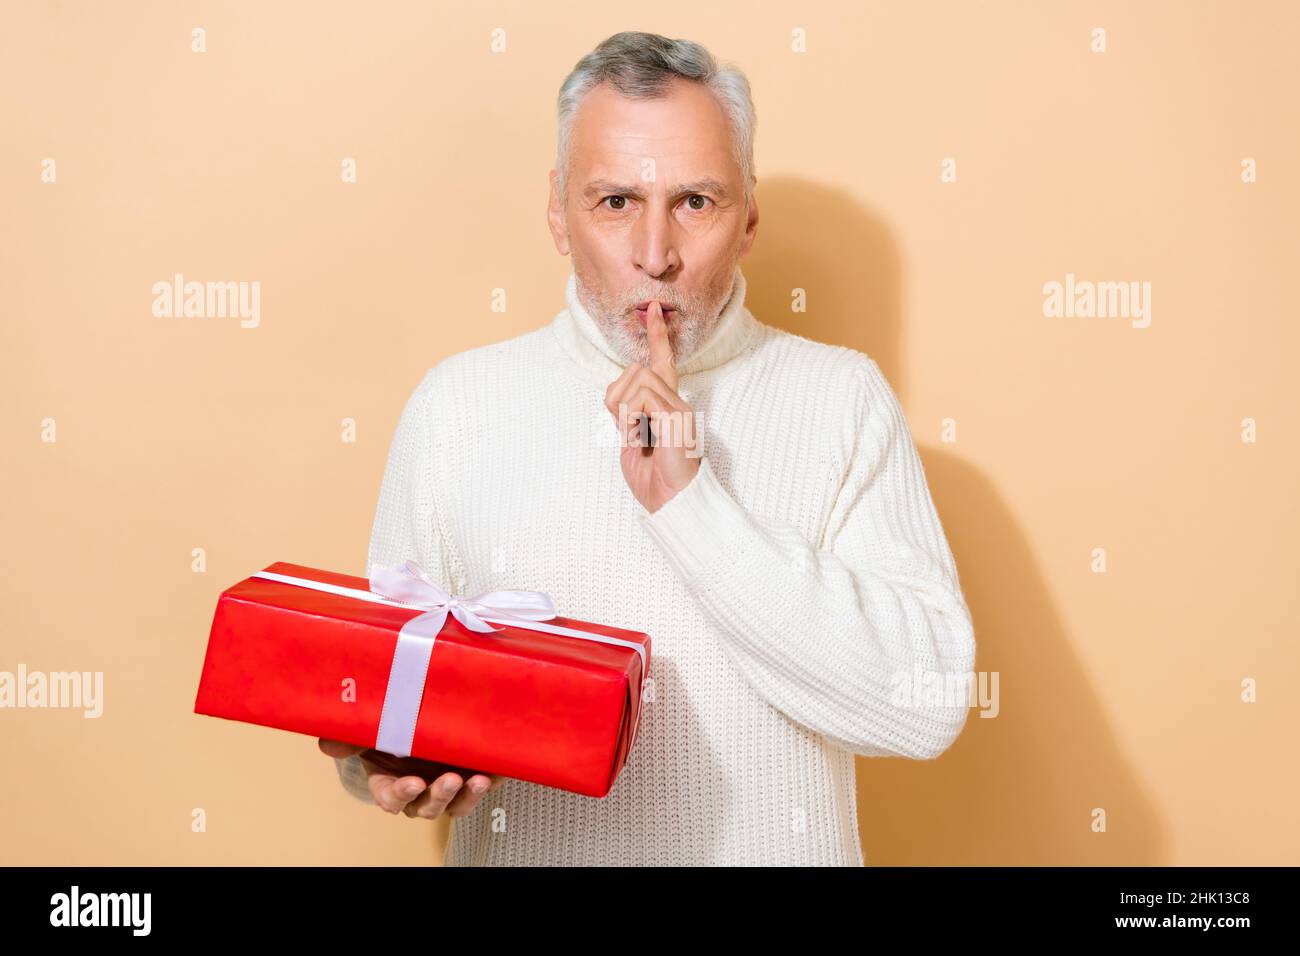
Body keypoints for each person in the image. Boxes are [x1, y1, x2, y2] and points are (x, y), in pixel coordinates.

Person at [319, 30, 976, 866]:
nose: (655, 256)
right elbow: (390, 699)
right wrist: (386, 764)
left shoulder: (843, 400)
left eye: (696, 202)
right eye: (615, 202)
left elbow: (923, 708)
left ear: (749, 218)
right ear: (558, 212)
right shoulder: (457, 405)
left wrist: (691, 505)